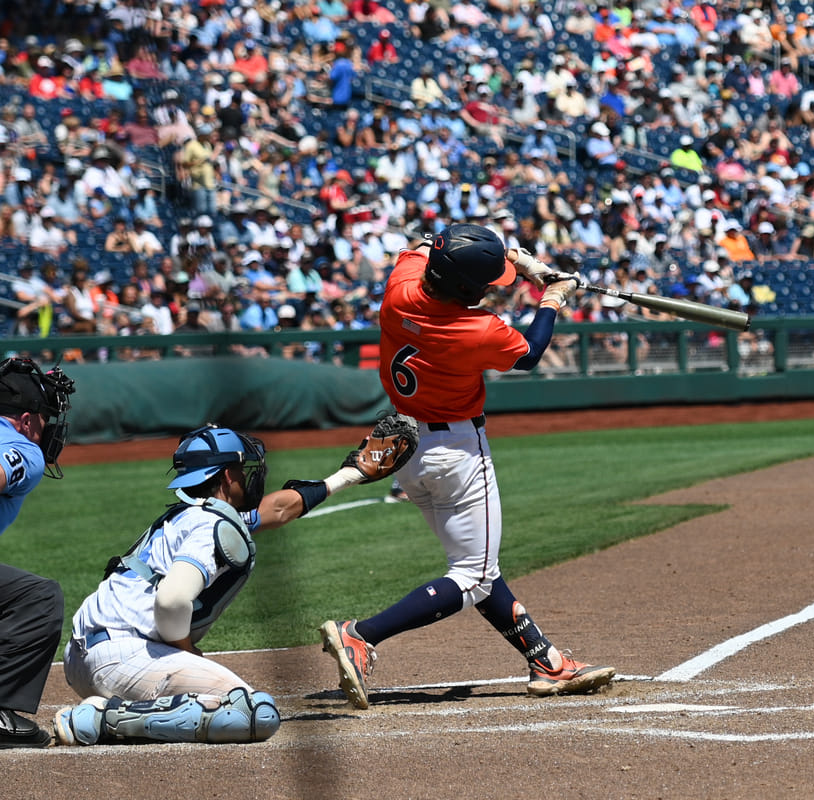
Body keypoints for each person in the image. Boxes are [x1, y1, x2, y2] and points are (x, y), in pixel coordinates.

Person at [319, 223, 615, 708]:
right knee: (473, 575)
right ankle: (362, 634)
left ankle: (546, 660)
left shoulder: (401, 287)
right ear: (465, 287)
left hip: (405, 446)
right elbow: (531, 352)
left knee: (478, 566)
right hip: (456, 450)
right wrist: (553, 295)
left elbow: (418, 244)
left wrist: (520, 262)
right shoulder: (475, 329)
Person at [53, 420, 412, 746]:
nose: (247, 476)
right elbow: (171, 600)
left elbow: (278, 510)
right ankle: (103, 720)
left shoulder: (187, 515)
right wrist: (184, 648)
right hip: (126, 659)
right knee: (249, 713)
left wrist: (348, 475)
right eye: (241, 469)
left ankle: (110, 709)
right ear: (226, 477)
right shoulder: (212, 526)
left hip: (82, 658)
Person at [0, 358, 75, 748]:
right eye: (46, 417)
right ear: (28, 419)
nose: (47, 427)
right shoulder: (23, 448)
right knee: (39, 597)